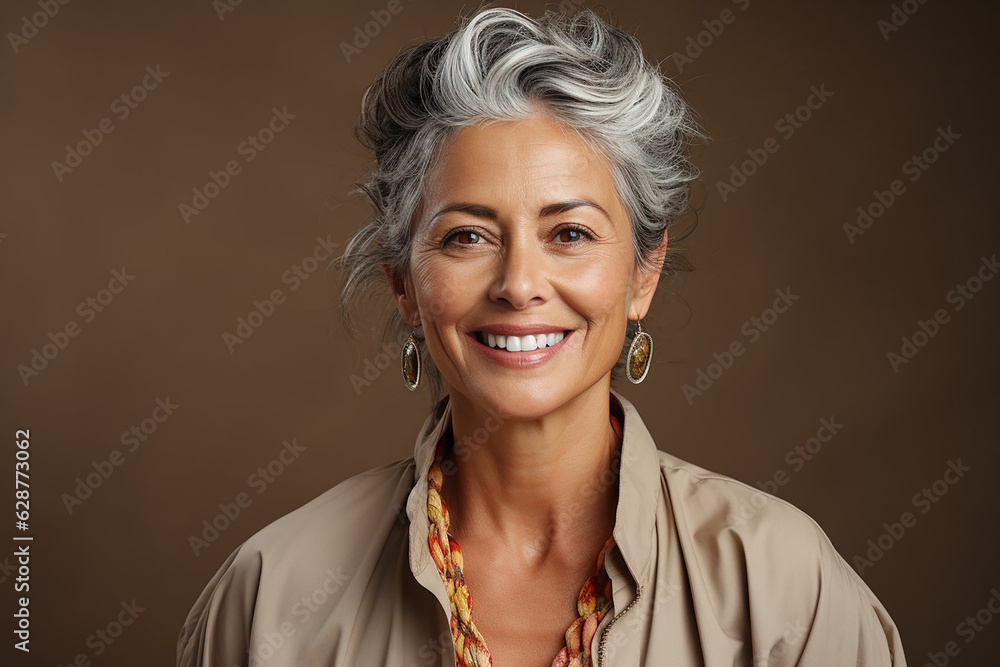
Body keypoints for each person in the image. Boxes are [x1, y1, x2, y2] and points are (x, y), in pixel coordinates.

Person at [176, 6, 907, 666]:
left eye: (570, 232)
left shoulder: (781, 587)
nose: (519, 283)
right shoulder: (272, 596)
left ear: (641, 276)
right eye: (466, 236)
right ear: (403, 282)